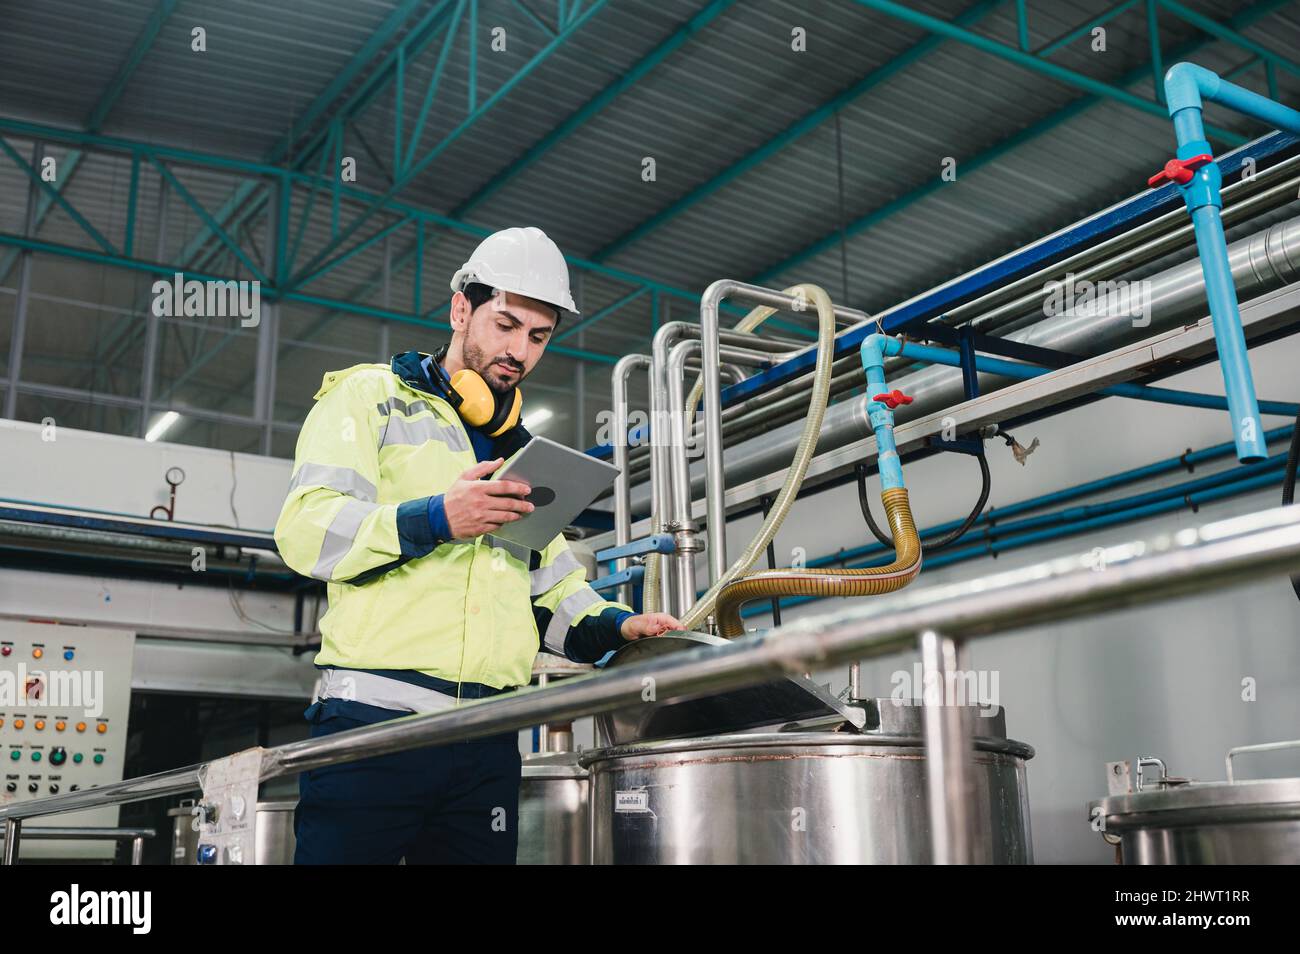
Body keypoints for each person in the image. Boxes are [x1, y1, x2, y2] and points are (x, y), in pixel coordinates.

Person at [274, 226, 681, 864]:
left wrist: (620, 626)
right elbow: (306, 532)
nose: (519, 350)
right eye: (506, 324)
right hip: (373, 725)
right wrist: (438, 516)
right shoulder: (369, 398)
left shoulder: (525, 455)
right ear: (461, 308)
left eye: (538, 337)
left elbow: (552, 601)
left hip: (488, 740)